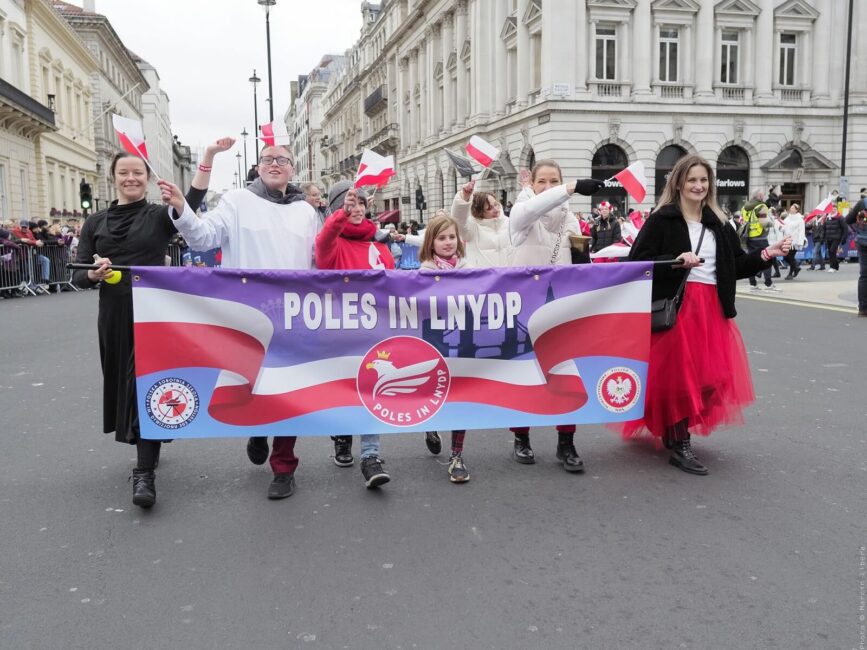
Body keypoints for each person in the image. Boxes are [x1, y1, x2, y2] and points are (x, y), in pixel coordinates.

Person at [72, 138, 232, 508]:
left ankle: (144, 474)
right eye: (124, 172)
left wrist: (206, 157)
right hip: (113, 313)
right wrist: (94, 275)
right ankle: (150, 443)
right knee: (123, 382)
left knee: (141, 382)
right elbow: (77, 275)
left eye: (137, 173)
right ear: (113, 178)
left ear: (146, 178)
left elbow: (190, 202)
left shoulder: (158, 216)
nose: (131, 178)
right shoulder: (94, 222)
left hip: (155, 312)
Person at [625, 155, 791, 474]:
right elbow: (637, 263)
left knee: (708, 379)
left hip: (712, 309)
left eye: (704, 180)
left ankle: (676, 433)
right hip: (678, 307)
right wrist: (675, 260)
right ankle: (681, 442)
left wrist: (768, 253)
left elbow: (736, 265)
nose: (699, 186)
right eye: (692, 180)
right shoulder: (663, 220)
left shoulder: (718, 223)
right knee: (679, 378)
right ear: (679, 184)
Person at [169, 143, 317, 501]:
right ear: (258, 167)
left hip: (292, 315)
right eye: (268, 159)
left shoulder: (306, 211)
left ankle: (284, 467)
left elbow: (317, 262)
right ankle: (258, 428)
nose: (275, 165)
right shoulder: (236, 201)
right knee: (253, 386)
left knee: (288, 392)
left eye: (282, 160)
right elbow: (202, 237)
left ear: (292, 168)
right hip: (247, 314)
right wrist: (180, 208)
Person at [507, 159, 603, 471]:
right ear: (531, 186)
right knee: (525, 373)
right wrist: (571, 187)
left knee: (567, 373)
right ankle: (521, 436)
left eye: (554, 181)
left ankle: (566, 441)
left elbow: (580, 266)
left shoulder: (569, 220)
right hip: (525, 307)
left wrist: (582, 259)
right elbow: (529, 211)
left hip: (560, 308)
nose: (548, 188)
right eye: (542, 182)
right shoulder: (521, 214)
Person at [315, 181, 395, 488]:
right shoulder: (332, 243)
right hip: (340, 334)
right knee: (344, 391)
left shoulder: (380, 245)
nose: (357, 208)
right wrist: (339, 217)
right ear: (338, 208)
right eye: (350, 204)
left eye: (361, 203)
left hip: (375, 334)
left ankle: (371, 457)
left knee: (369, 391)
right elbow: (323, 246)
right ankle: (342, 436)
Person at [417, 214, 472, 482]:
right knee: (436, 391)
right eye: (441, 238)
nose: (448, 242)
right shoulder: (423, 273)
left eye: (452, 237)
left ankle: (457, 455)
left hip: (462, 338)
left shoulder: (469, 268)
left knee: (460, 395)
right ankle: (431, 425)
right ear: (431, 242)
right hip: (435, 339)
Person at [448, 180, 512, 267]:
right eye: (489, 209)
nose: (496, 210)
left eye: (496, 205)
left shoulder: (508, 223)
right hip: (482, 278)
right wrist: (464, 197)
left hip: (507, 278)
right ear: (479, 212)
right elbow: (458, 220)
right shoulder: (472, 227)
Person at [742, 203, 778, 291]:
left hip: (749, 237)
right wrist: (772, 220)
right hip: (760, 237)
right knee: (767, 258)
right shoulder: (761, 207)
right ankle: (768, 284)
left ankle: (753, 284)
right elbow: (763, 223)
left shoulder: (745, 208)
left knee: (751, 260)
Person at [845, 194, 867, 316]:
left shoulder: (862, 203)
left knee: (864, 275)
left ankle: (863, 309)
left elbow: (848, 220)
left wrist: (858, 229)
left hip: (863, 241)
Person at [781, 204, 806, 280]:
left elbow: (802, 231)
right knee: (785, 257)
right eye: (790, 208)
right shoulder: (787, 218)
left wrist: (800, 242)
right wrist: (780, 228)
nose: (790, 209)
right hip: (787, 240)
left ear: (796, 210)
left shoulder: (800, 219)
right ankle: (796, 268)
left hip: (794, 241)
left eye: (792, 208)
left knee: (791, 257)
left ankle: (790, 273)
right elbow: (783, 227)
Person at [822, 205, 847, 273]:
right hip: (828, 237)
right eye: (832, 209)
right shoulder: (827, 217)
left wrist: (844, 238)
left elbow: (845, 228)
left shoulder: (840, 217)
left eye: (835, 209)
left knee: (832, 251)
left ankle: (832, 267)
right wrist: (823, 237)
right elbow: (824, 228)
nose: (833, 210)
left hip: (836, 237)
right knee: (830, 252)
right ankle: (836, 266)